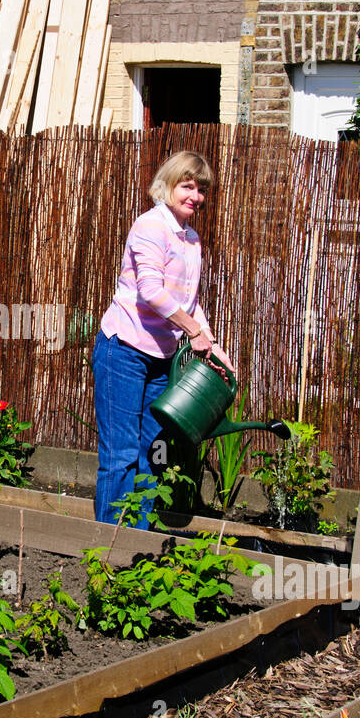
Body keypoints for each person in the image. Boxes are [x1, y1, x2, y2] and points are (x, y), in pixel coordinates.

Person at [91, 150, 234, 529]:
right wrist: (193, 331)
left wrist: (215, 347)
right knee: (120, 453)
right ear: (168, 185)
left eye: (201, 189)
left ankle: (138, 538)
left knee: (154, 451)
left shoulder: (190, 239)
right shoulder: (150, 226)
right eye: (188, 186)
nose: (196, 196)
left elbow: (190, 301)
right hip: (124, 349)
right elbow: (151, 290)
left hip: (162, 358)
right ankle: (106, 544)